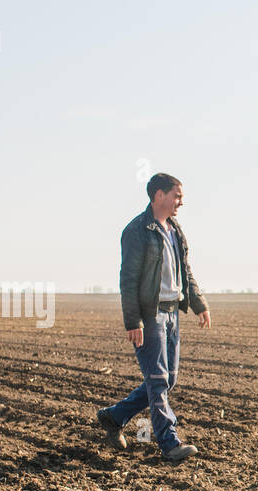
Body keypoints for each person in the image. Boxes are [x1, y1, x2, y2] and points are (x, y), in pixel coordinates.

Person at [96, 173, 210, 462]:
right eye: (176, 195)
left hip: (173, 314)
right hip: (150, 315)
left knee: (166, 380)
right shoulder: (137, 230)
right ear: (158, 195)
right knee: (157, 380)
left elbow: (186, 273)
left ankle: (114, 416)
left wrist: (199, 304)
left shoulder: (175, 230)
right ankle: (169, 442)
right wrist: (132, 321)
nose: (180, 202)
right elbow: (129, 279)